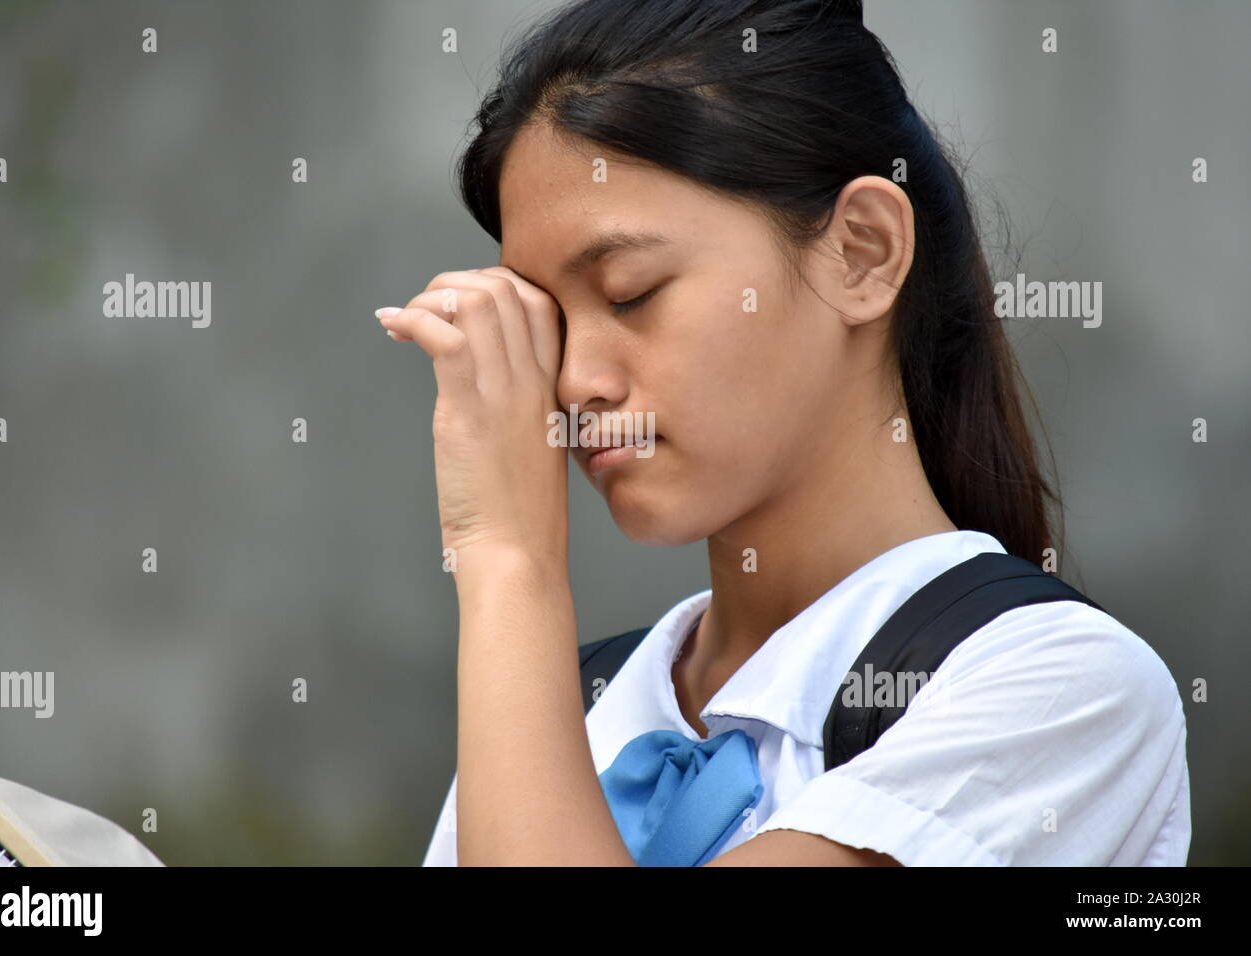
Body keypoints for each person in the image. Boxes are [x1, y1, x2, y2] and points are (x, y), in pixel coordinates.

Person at [378, 0, 1190, 865]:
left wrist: (508, 557)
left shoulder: (1060, 689)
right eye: (546, 324)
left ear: (862, 253)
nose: (574, 383)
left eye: (629, 293)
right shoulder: (563, 707)